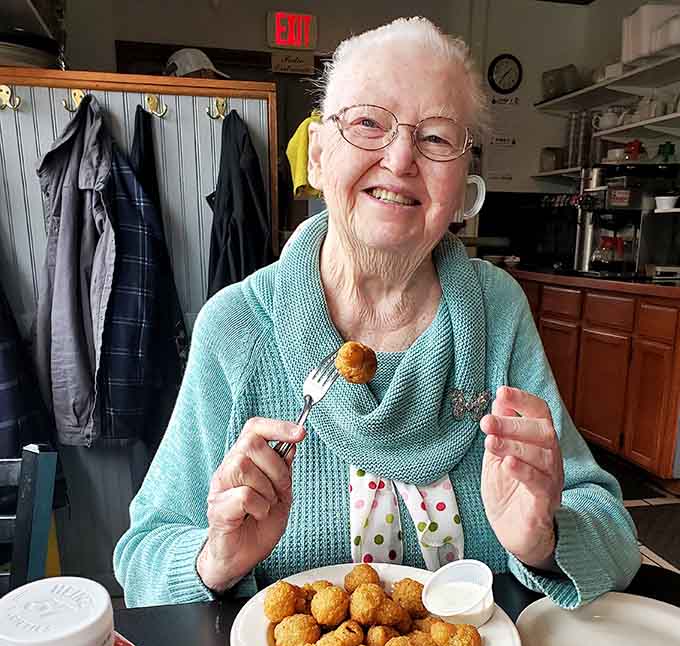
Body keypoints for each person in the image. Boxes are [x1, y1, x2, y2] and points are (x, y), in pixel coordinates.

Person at [114, 17, 640, 609]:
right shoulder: (236, 325)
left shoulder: (497, 311)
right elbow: (142, 559)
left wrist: (543, 539)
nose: (399, 158)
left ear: (463, 180)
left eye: (437, 138)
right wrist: (214, 556)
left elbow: (616, 540)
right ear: (316, 156)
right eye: (368, 123)